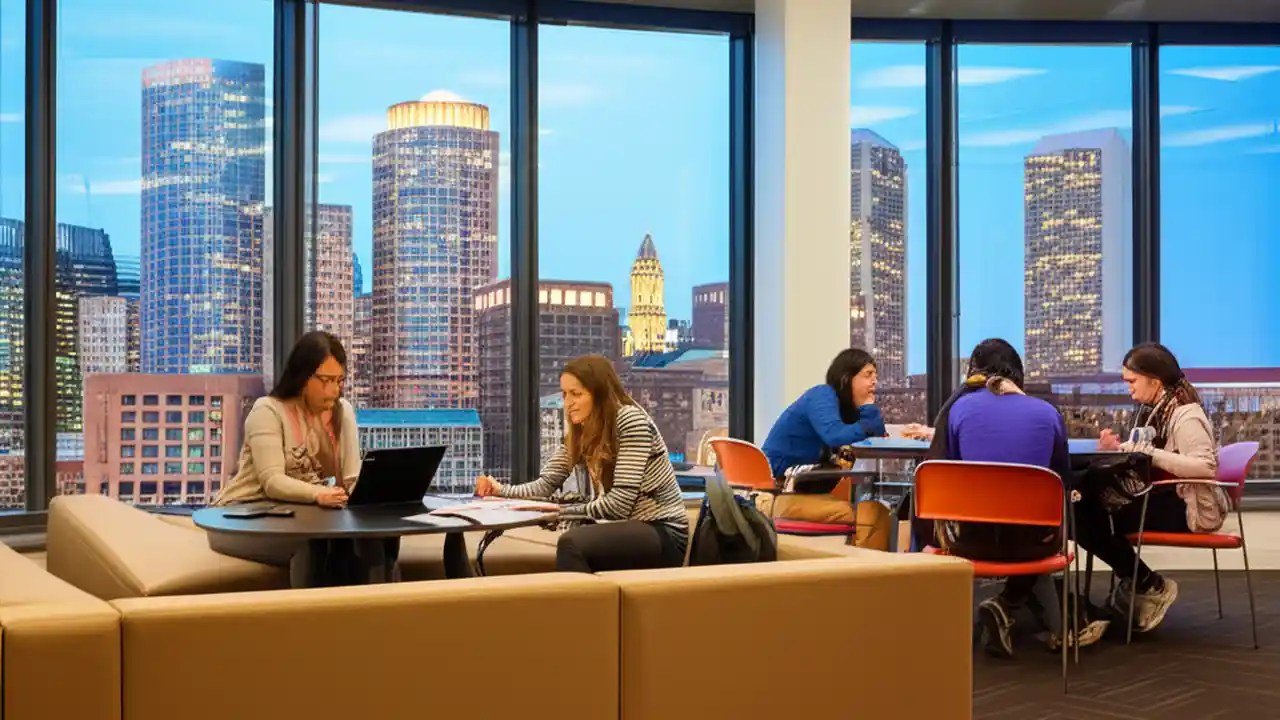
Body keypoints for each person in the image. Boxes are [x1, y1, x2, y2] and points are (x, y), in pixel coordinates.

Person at [925, 338, 1088, 657]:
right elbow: (1062, 482)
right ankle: (1042, 619)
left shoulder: (960, 409)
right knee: (1040, 522)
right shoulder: (1048, 412)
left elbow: (948, 471)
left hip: (968, 543)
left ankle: (956, 621)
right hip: (1035, 545)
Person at [474, 355, 688, 573]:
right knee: (572, 540)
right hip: (622, 527)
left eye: (576, 394)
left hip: (661, 531)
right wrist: (501, 490)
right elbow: (546, 485)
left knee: (572, 543)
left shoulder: (630, 420)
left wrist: (560, 512)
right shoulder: (581, 429)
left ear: (600, 394)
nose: (568, 403)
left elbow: (619, 504)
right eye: (565, 394)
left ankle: (579, 607)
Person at [210, 331, 389, 585]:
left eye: (339, 381)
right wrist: (318, 494)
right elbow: (273, 481)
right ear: (303, 376)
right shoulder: (268, 410)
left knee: (373, 543)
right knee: (313, 545)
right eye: (326, 380)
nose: (334, 390)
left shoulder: (343, 412)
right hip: (242, 515)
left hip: (299, 516)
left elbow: (351, 478)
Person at [1074, 342, 1225, 633]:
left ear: (1154, 381)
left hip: (1186, 507)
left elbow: (1205, 467)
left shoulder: (1186, 414)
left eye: (1132, 381)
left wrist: (1147, 452)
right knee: (1086, 507)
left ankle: (1147, 584)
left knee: (1086, 515)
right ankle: (1142, 583)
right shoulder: (1156, 410)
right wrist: (1117, 450)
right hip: (1166, 495)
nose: (1128, 388)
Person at [759, 349, 888, 534]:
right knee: (873, 513)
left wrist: (868, 410)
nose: (875, 381)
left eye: (875, 375)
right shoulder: (822, 395)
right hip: (779, 487)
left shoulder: (845, 408)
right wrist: (868, 409)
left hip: (804, 486)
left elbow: (876, 433)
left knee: (875, 509)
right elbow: (835, 435)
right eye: (868, 375)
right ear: (846, 378)